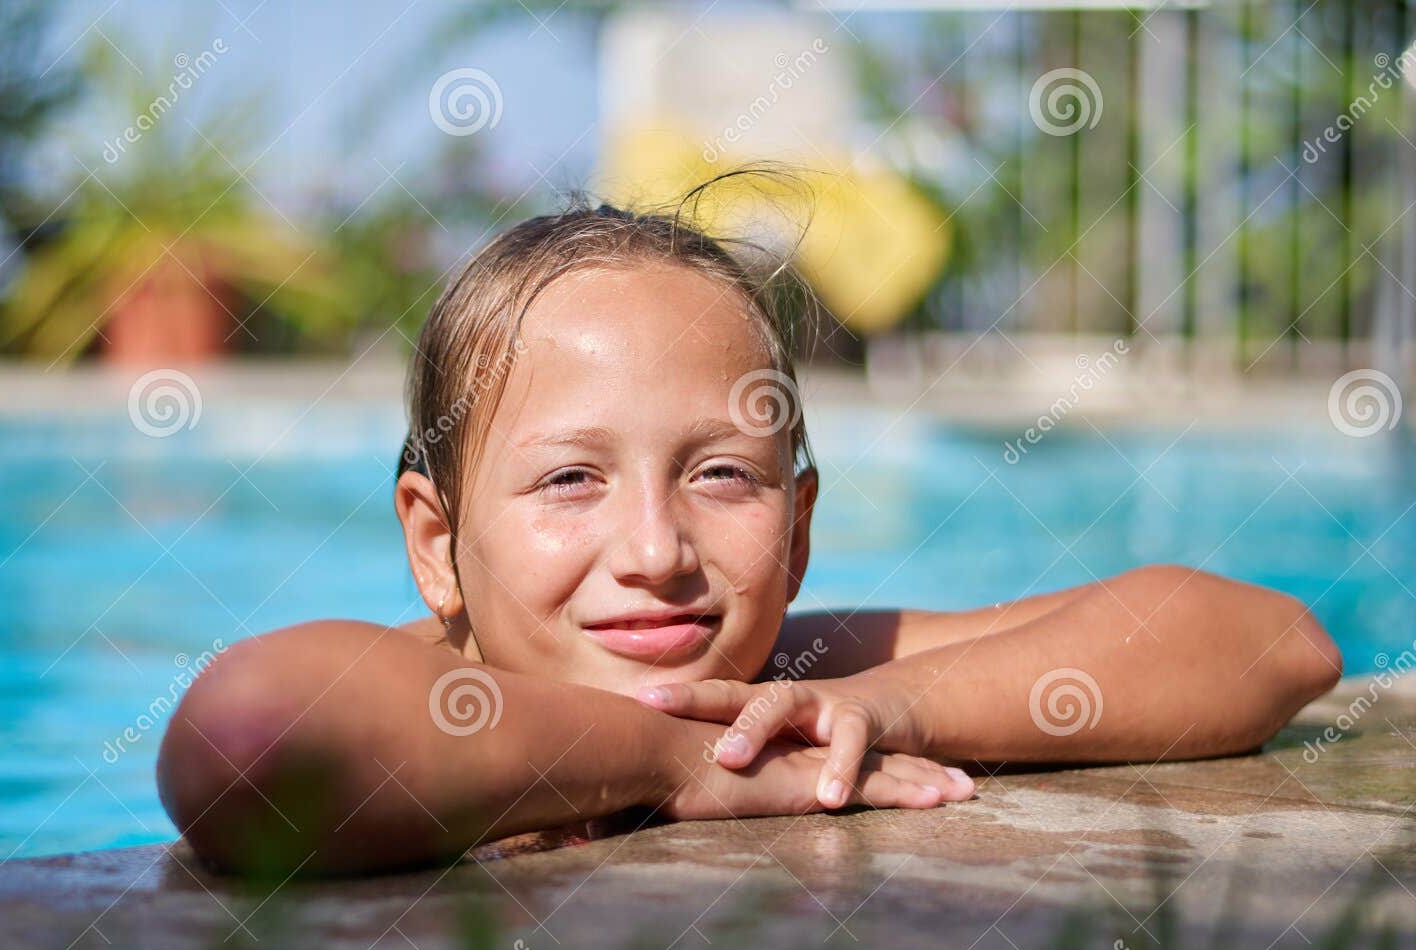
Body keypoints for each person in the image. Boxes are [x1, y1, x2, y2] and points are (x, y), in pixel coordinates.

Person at [156, 183, 1341, 877]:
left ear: (801, 521)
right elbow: (244, 740)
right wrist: (677, 763)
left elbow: (1271, 642)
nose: (657, 550)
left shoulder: (805, 681)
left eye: (722, 474)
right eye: (571, 478)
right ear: (434, 544)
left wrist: (889, 708)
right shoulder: (421, 687)